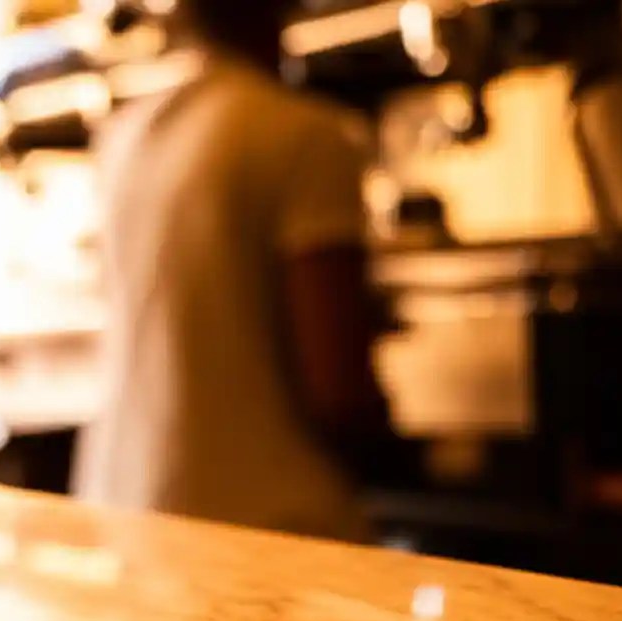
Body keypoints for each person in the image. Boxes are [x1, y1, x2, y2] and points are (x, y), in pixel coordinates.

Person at [74, 0, 391, 539]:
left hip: (126, 508)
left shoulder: (123, 138)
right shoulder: (305, 136)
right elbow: (336, 386)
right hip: (267, 529)